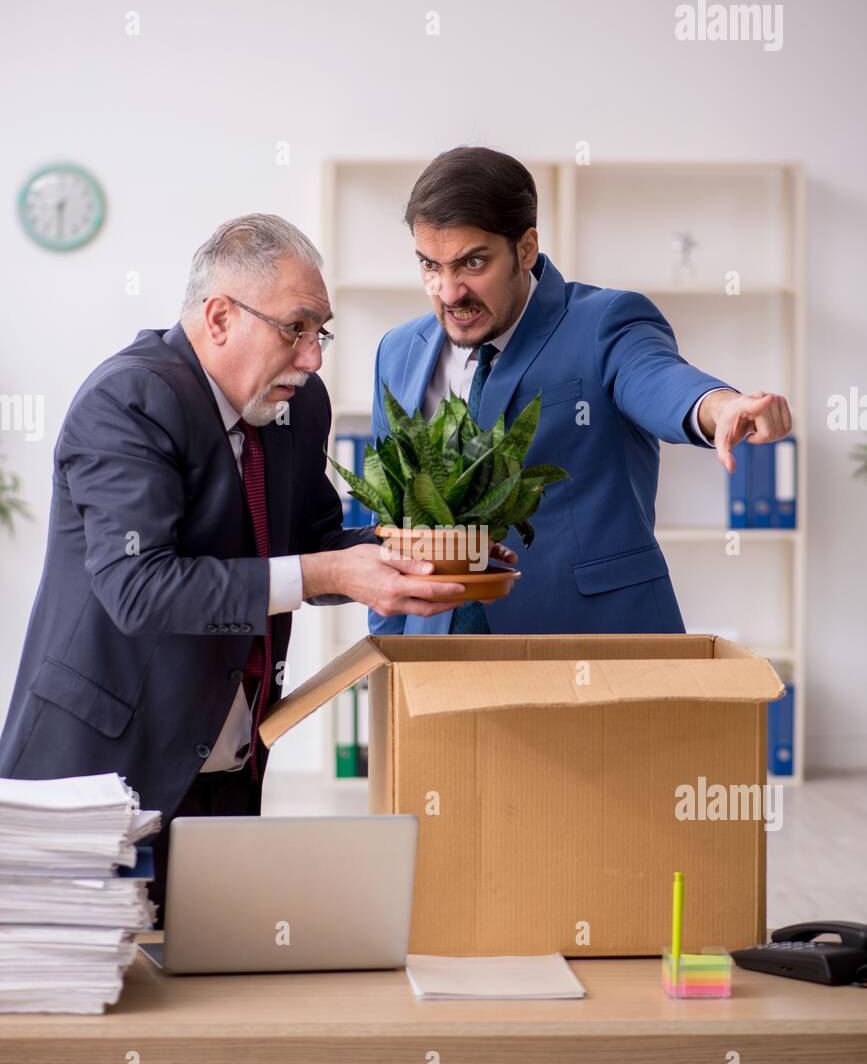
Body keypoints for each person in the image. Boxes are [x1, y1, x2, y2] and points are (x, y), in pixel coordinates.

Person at [0, 214, 470, 923]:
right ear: (219, 317)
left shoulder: (296, 405)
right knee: (82, 1006)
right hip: (98, 773)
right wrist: (328, 574)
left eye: (322, 332)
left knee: (213, 1003)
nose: (313, 359)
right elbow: (140, 587)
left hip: (225, 770)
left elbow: (311, 535)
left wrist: (415, 551)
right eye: (296, 328)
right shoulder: (128, 401)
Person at [368, 146, 792, 637]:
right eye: (429, 266)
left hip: (591, 644)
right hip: (437, 657)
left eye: (472, 263)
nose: (448, 292)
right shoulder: (398, 352)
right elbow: (392, 519)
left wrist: (721, 407)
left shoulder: (603, 322)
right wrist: (387, 653)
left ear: (526, 248)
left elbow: (658, 379)